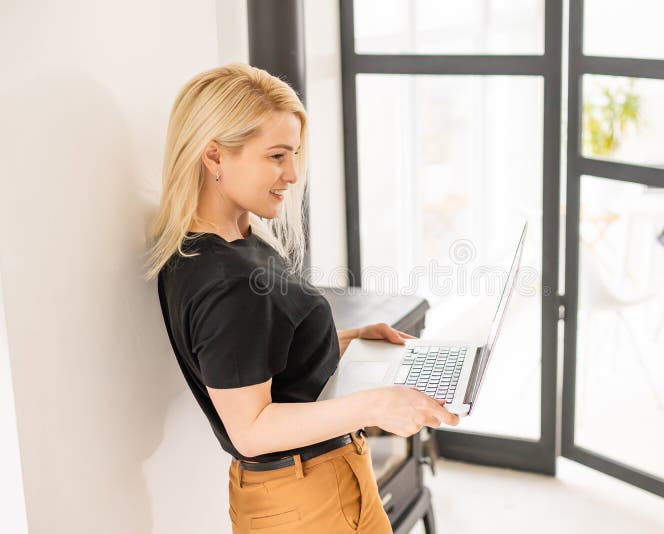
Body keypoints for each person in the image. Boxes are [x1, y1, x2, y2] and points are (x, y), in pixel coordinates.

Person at [144, 63, 460, 533]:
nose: (293, 174)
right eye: (276, 156)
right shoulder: (224, 280)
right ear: (214, 156)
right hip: (305, 499)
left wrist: (348, 339)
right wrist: (376, 406)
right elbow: (250, 431)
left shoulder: (232, 238)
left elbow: (265, 352)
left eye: (294, 154)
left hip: (315, 481)